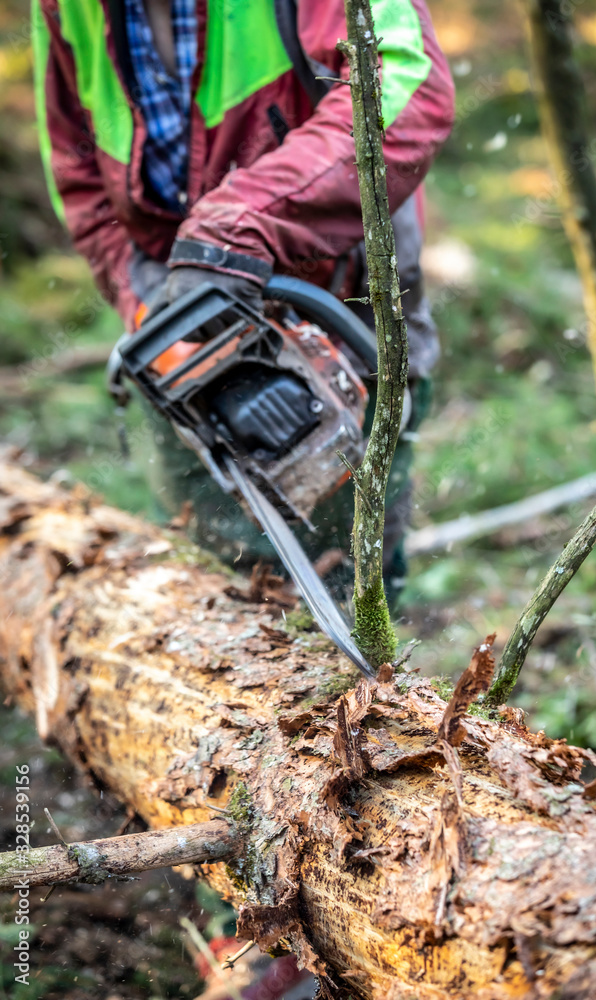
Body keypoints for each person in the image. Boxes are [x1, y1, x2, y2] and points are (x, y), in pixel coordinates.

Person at [32, 0, 454, 600]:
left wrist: (238, 228)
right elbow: (78, 173)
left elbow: (406, 86)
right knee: (206, 581)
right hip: (178, 316)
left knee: (346, 587)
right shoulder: (63, 9)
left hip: (336, 299)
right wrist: (154, 309)